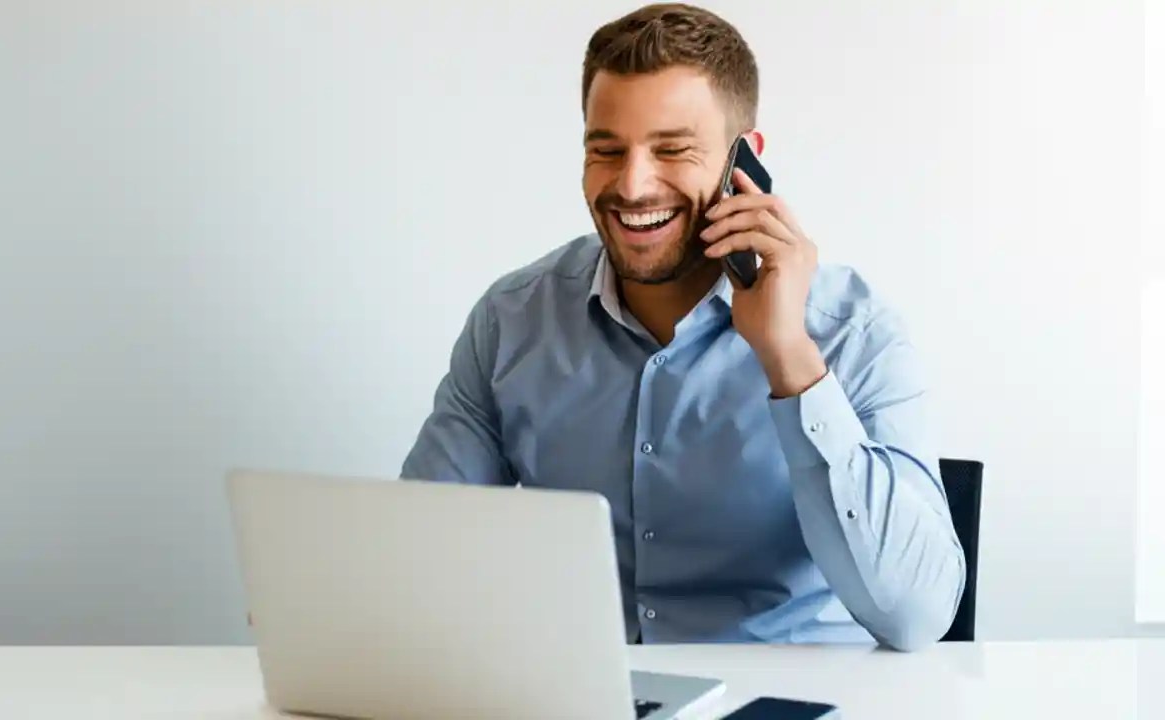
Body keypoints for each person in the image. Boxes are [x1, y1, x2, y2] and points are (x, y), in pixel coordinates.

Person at [400, 2, 965, 652]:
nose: (633, 185)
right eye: (606, 150)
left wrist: (790, 360)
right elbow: (424, 560)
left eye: (673, 150)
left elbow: (917, 619)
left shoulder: (855, 333)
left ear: (744, 163)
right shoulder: (512, 321)